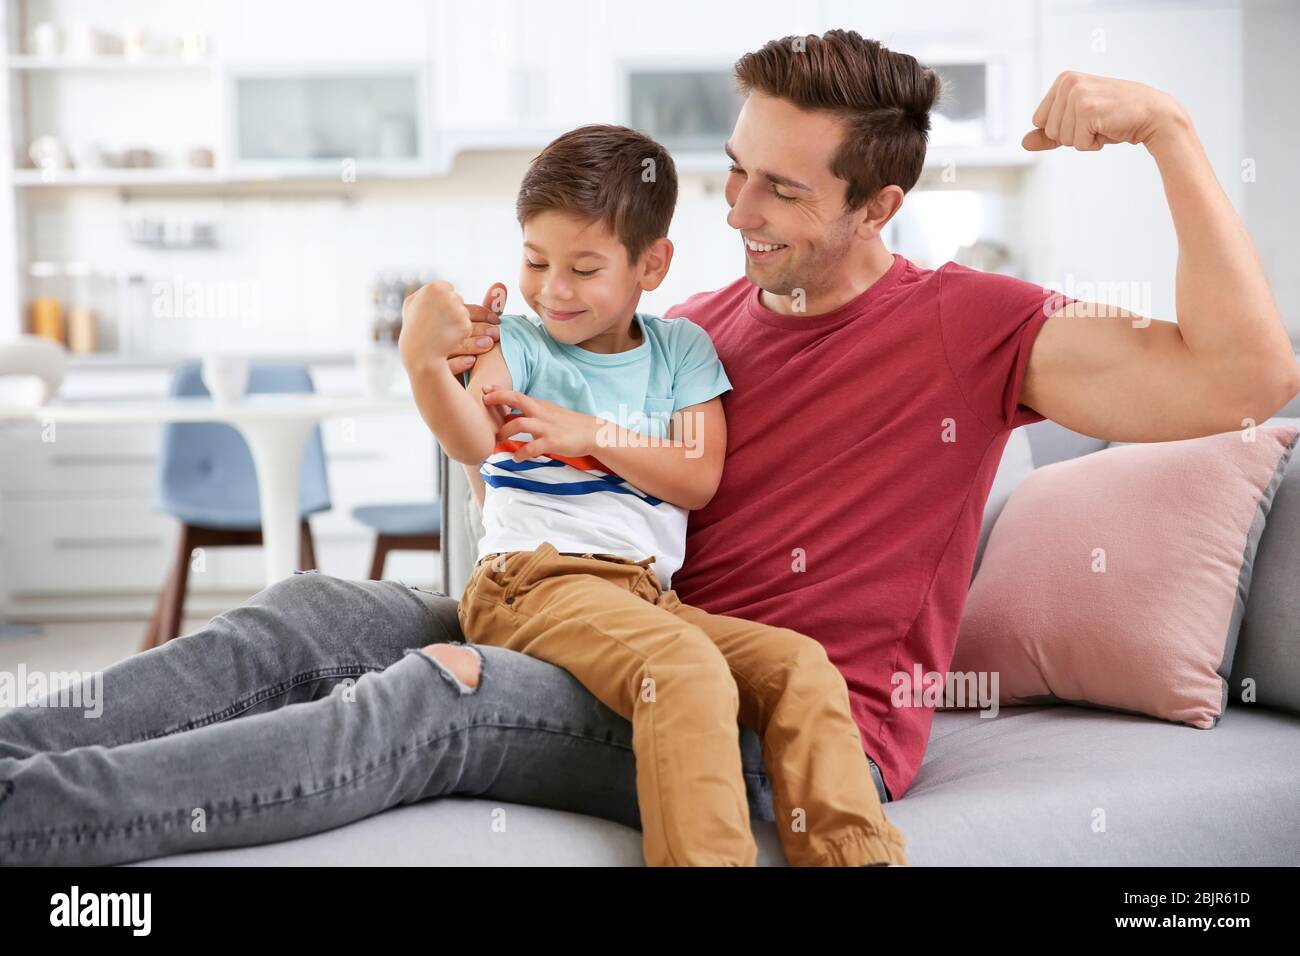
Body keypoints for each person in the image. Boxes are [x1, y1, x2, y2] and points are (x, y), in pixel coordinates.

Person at [1, 29, 1292, 866]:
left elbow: (1246, 379)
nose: (739, 211)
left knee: (440, 692)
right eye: (736, 172)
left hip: (769, 715)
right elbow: (549, 480)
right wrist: (468, 384)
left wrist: (1169, 133)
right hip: (609, 623)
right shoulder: (702, 324)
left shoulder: (976, 325)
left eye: (783, 191)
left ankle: (30, 820)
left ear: (879, 204)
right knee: (318, 609)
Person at [404, 122, 906, 866]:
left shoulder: (681, 350)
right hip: (532, 582)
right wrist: (423, 364)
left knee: (799, 666)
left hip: (644, 598)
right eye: (536, 261)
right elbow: (474, 443)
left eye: (584, 267)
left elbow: (698, 475)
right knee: (684, 670)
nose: (554, 289)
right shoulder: (516, 344)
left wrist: (591, 434)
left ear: (652, 265)